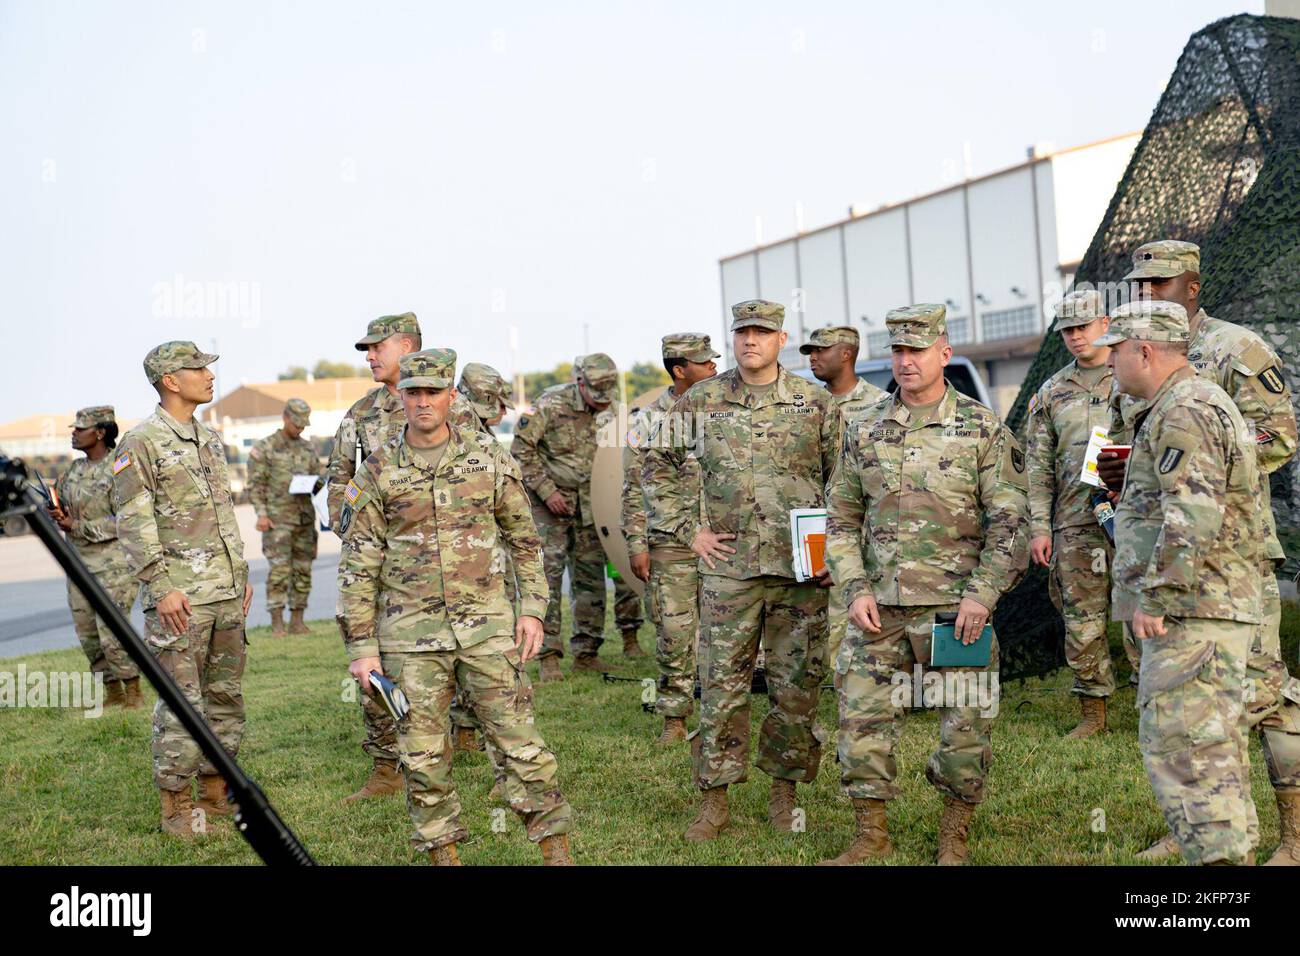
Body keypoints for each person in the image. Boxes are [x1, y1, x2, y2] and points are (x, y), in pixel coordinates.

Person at [1097, 240, 1300, 865]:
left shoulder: (1234, 352)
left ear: (1192, 285)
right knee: (1185, 718)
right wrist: (1115, 480)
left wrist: (1197, 467)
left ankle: (1285, 835)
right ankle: (1198, 826)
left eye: (1162, 284)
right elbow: (1113, 442)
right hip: (1166, 559)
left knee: (1259, 696)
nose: (1150, 295)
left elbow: (1276, 437)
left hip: (1218, 566)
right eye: (1141, 285)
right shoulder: (1138, 366)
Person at [338, 349, 573, 865]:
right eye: (413, 392)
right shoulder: (377, 471)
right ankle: (443, 855)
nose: (423, 401)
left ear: (451, 397)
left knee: (521, 746)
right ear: (401, 398)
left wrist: (532, 609)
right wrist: (361, 648)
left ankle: (556, 853)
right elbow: (358, 563)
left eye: (433, 392)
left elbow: (524, 538)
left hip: (487, 629)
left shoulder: (488, 459)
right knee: (423, 758)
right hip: (408, 640)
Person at [822, 304, 1028, 865]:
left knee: (965, 734)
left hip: (957, 611)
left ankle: (954, 833)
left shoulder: (981, 429)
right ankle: (870, 833)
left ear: (944, 352)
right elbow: (838, 521)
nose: (906, 361)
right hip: (877, 611)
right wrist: (855, 587)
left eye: (918, 350)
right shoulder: (864, 431)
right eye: (898, 351)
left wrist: (982, 596)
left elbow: (1010, 522)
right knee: (860, 726)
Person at [644, 299, 838, 842]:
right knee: (722, 685)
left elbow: (843, 479)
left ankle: (784, 793)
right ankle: (715, 800)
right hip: (729, 569)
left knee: (795, 685)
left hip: (801, 569)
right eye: (742, 332)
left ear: (781, 339)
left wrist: (836, 554)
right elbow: (656, 465)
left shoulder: (813, 402)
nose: (750, 340)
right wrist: (689, 531)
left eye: (762, 332)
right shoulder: (702, 400)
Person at [111, 341, 253, 837]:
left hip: (225, 591)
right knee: (181, 701)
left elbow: (222, 514)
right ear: (170, 379)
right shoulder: (142, 441)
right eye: (198, 368)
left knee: (225, 695)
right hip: (181, 598)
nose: (208, 375)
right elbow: (133, 521)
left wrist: (242, 574)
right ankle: (176, 804)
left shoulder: (209, 439)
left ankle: (215, 793)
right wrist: (160, 584)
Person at [326, 311, 422, 803]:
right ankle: (386, 766)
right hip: (381, 565)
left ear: (405, 346)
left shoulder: (452, 405)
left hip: (443, 562)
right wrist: (352, 530)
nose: (369, 356)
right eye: (365, 349)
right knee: (374, 661)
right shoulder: (360, 414)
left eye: (375, 347)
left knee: (463, 658)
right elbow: (338, 480)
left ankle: (464, 743)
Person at [1025, 291, 1122, 737]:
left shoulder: (1131, 374)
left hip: (1133, 516)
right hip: (1075, 522)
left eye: (1083, 327)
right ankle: (1093, 712)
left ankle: (1155, 706)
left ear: (1104, 322)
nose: (1076, 337)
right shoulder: (1051, 391)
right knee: (1082, 619)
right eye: (1067, 330)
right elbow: (1038, 467)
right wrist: (1040, 527)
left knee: (1146, 610)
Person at [623, 332, 717, 744]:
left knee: (723, 633)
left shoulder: (721, 412)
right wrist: (637, 545)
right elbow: (632, 489)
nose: (714, 366)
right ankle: (674, 718)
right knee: (674, 633)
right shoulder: (648, 421)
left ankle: (719, 717)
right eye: (704, 362)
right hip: (670, 544)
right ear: (680, 371)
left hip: (720, 542)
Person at [511, 352, 620, 679]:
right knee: (549, 581)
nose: (601, 401)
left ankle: (587, 652)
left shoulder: (611, 411)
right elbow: (520, 452)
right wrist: (547, 492)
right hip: (550, 509)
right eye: (594, 394)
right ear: (580, 383)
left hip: (591, 508)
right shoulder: (549, 405)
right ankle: (548, 656)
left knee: (591, 580)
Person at [801, 325, 888, 679]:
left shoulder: (880, 405)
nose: (813, 357)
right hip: (811, 527)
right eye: (810, 351)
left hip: (861, 530)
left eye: (822, 350)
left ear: (847, 353)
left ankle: (861, 687)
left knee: (856, 610)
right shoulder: (803, 404)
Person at [49, 405, 143, 708]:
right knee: (87, 632)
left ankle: (134, 692)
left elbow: (127, 518)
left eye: (80, 429)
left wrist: (77, 526)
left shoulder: (121, 466)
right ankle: (112, 691)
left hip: (114, 564)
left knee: (112, 631)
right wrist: (55, 509)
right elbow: (61, 502)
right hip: (79, 564)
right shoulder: (74, 471)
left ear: (100, 432)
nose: (74, 434)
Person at [446, 360, 513, 753]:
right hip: (472, 562)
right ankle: (480, 735)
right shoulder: (473, 436)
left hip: (460, 560)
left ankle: (465, 732)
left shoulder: (471, 431)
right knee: (483, 651)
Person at [247, 398, 319, 635]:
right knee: (279, 572)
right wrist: (262, 515)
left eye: (303, 425)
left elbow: (318, 480)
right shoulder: (265, 447)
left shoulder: (308, 448)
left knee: (303, 570)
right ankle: (277, 622)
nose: (299, 428)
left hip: (304, 520)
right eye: (296, 423)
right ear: (285, 417)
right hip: (277, 522)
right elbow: (255, 485)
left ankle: (297, 620)